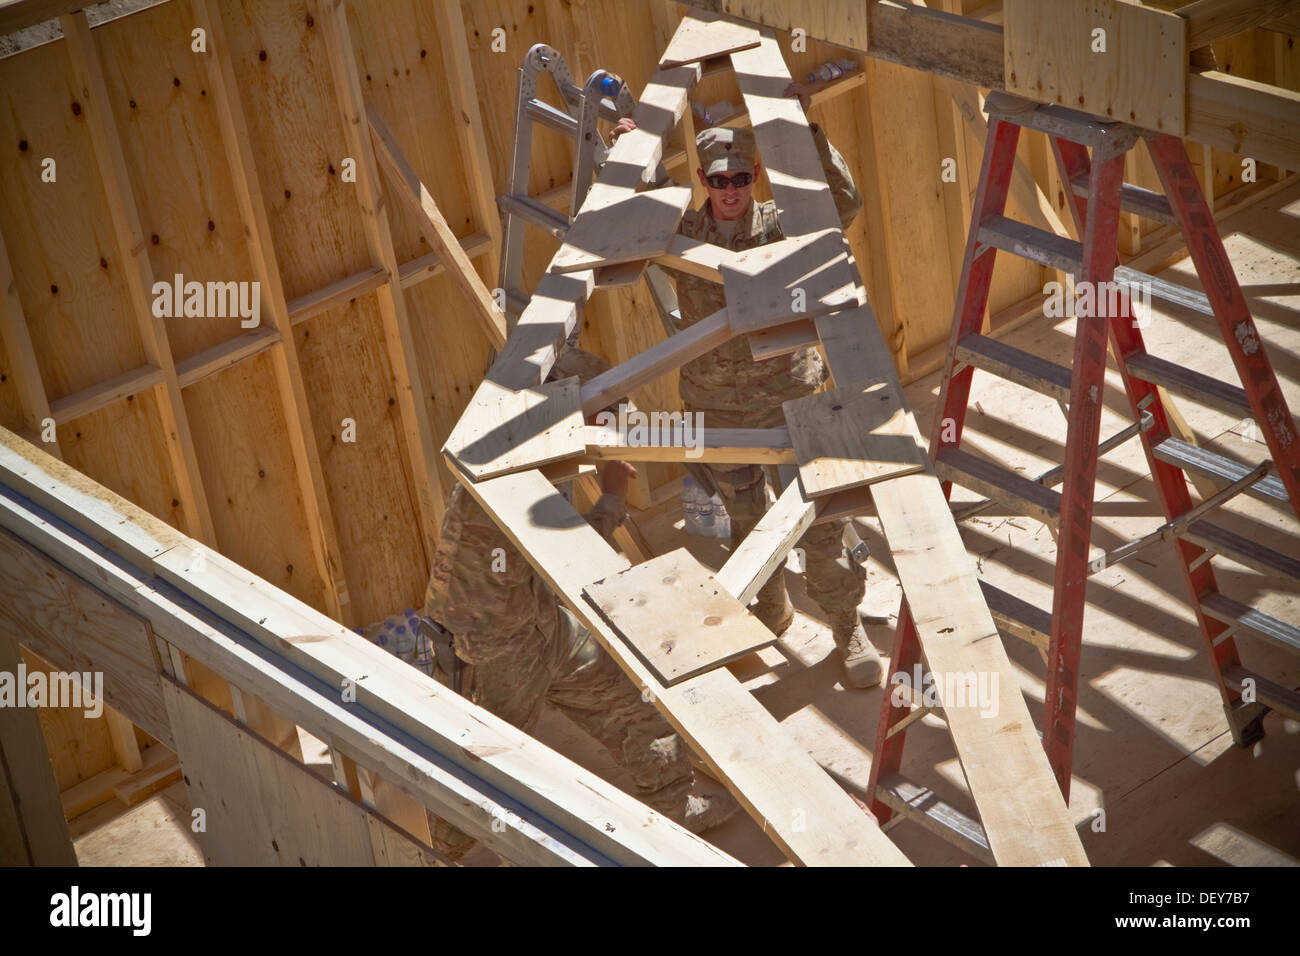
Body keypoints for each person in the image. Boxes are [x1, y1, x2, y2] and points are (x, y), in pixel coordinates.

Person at [611, 86, 884, 688]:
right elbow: (628, 218)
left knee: (823, 521)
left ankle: (847, 628)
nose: (730, 190)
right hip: (721, 408)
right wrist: (629, 153)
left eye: (740, 178)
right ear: (705, 182)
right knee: (747, 520)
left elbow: (844, 204)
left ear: (755, 175)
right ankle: (770, 606)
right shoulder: (681, 232)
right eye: (718, 180)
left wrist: (806, 128)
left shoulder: (783, 226)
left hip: (796, 399)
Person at [422, 347, 739, 861]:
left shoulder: (546, 448)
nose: (613, 426)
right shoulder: (515, 472)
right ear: (569, 411)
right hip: (489, 649)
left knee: (639, 702)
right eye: (605, 416)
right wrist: (612, 496)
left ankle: (674, 810)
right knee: (484, 764)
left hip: (541, 624)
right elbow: (572, 561)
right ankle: (438, 853)